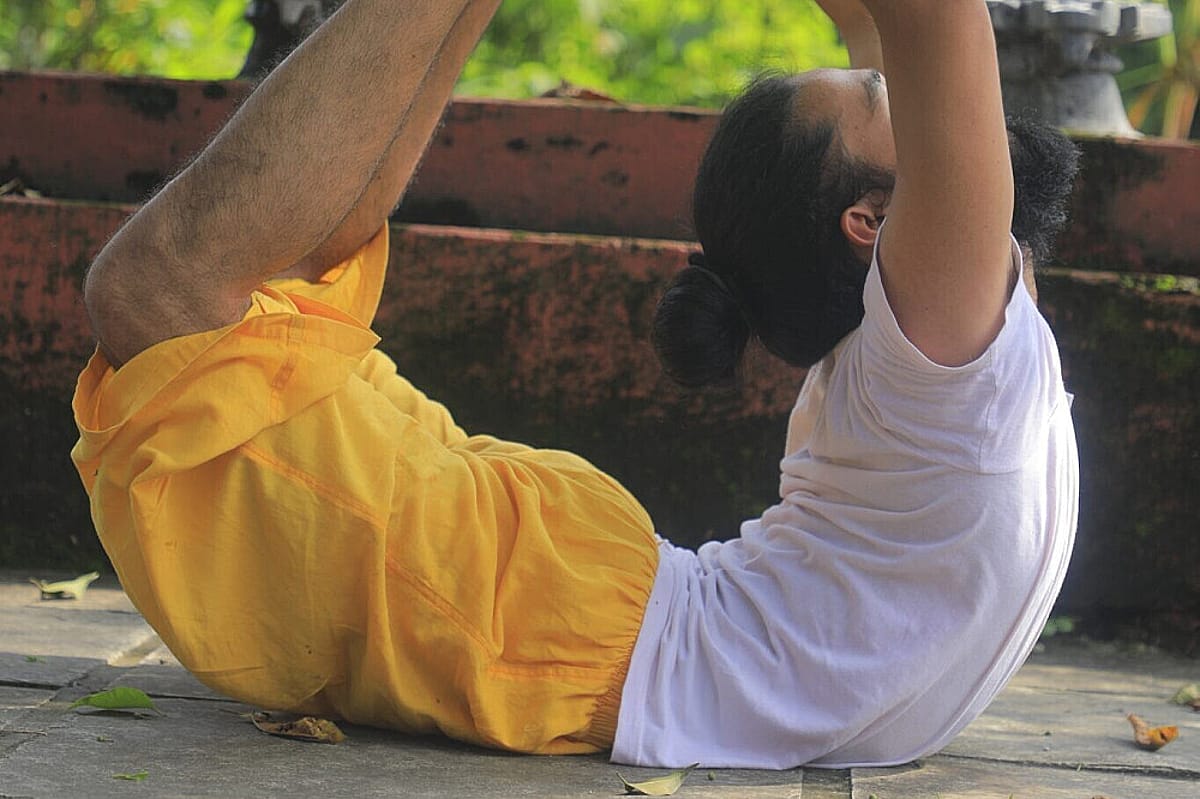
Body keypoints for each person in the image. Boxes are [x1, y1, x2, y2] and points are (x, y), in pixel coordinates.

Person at [72, 0, 1078, 771]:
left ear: (871, 224)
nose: (894, 82)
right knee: (251, 304)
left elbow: (917, 28)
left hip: (555, 617)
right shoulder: (953, 340)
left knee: (160, 294)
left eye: (879, 94)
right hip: (564, 605)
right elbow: (901, 23)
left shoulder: (938, 344)